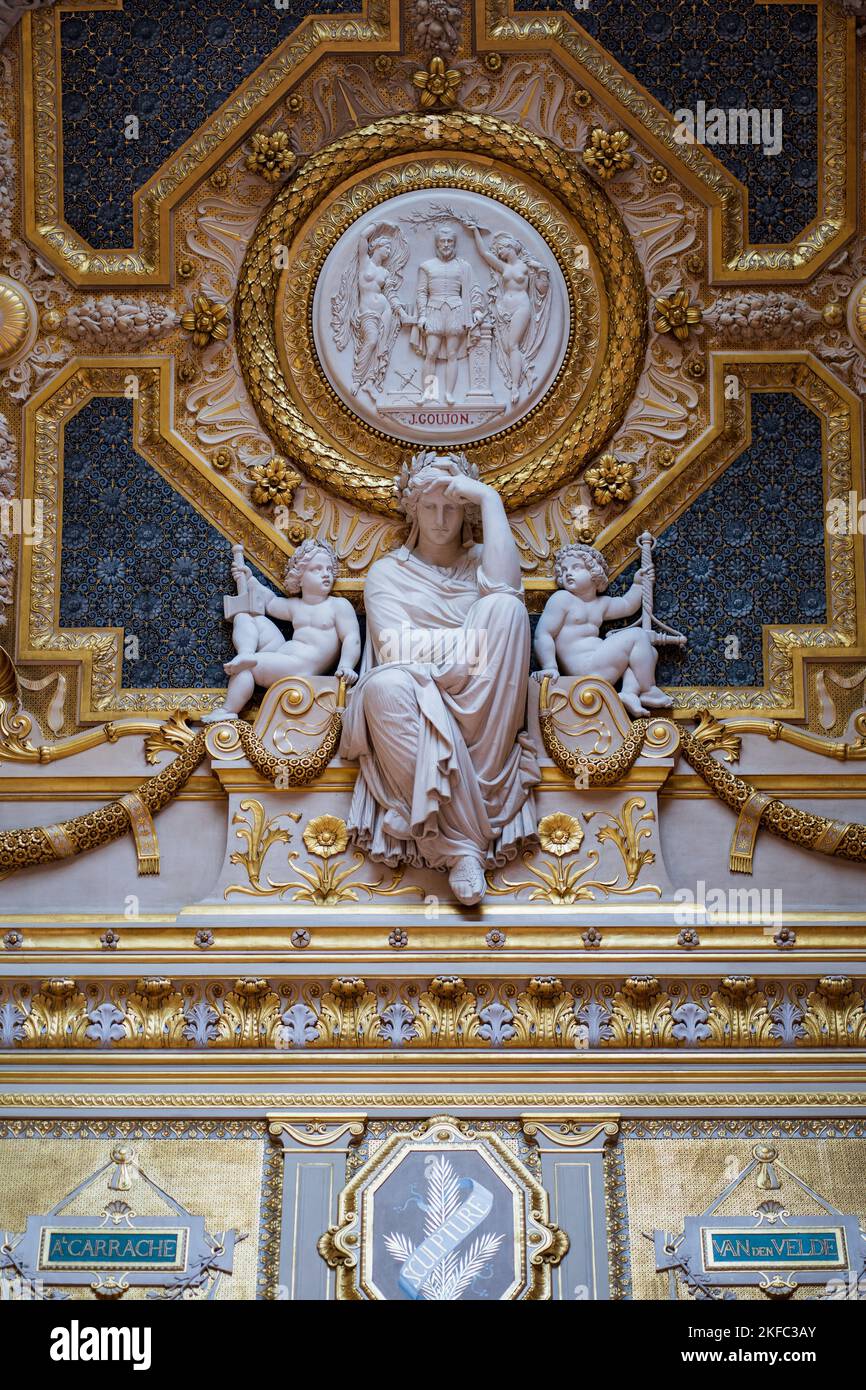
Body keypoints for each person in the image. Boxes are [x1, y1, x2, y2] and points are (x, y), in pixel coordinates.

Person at [340, 450, 539, 906]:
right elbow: (395, 648)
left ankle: (468, 815)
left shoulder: (482, 565)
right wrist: (471, 645)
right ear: (412, 510)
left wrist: (489, 499)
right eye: (430, 507)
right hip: (412, 689)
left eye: (452, 507)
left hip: (482, 701)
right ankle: (455, 845)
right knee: (384, 687)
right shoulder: (388, 572)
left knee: (505, 607)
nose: (441, 519)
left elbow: (508, 592)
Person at [203, 540, 360, 721]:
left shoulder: (337, 605)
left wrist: (345, 666)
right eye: (316, 569)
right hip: (282, 654)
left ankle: (228, 709)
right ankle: (246, 652)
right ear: (299, 577)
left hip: (302, 667)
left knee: (248, 668)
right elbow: (270, 602)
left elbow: (351, 637)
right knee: (246, 617)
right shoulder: (296, 606)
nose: (326, 574)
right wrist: (249, 578)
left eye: (329, 570)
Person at [533, 543, 672, 718]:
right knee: (638, 636)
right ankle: (648, 690)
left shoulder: (600, 604)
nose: (568, 573)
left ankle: (629, 693)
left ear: (594, 573)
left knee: (649, 652)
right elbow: (543, 634)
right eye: (564, 569)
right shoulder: (562, 599)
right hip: (583, 668)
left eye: (576, 567)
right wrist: (550, 666)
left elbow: (627, 605)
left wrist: (638, 584)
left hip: (600, 667)